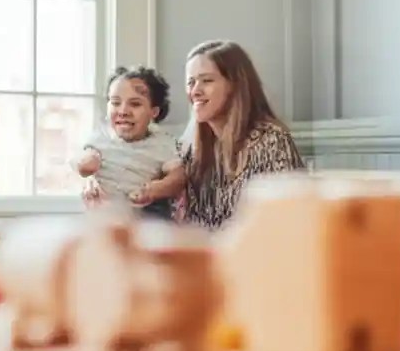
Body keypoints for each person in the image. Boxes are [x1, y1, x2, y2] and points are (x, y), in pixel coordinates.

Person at [177, 40, 305, 230]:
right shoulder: (191, 150)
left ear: (234, 85)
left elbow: (288, 221)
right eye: (191, 82)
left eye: (207, 80)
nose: (195, 91)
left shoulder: (271, 141)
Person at [74, 65, 186, 220]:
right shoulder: (101, 137)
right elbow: (80, 160)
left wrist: (156, 189)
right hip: (101, 217)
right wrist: (86, 164)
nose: (123, 111)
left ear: (154, 112)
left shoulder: (163, 143)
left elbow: (178, 176)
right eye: (115, 103)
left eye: (135, 104)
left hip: (141, 220)